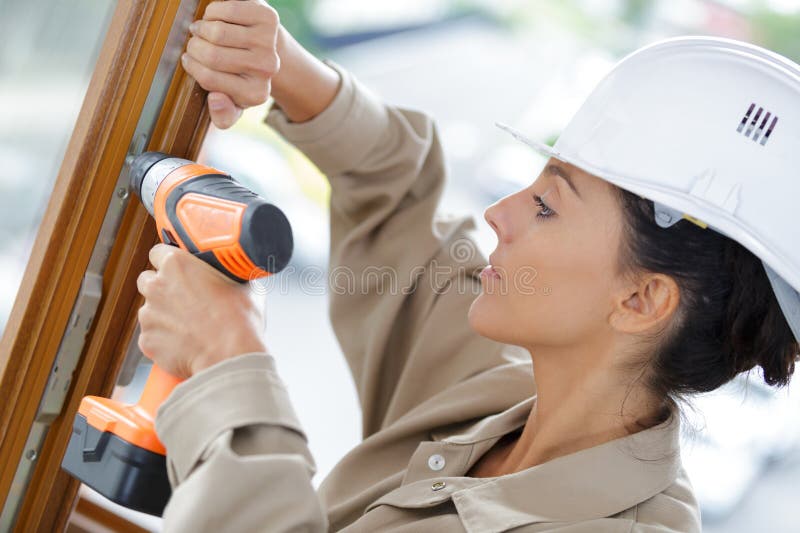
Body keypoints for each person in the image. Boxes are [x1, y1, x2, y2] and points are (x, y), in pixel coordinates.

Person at [134, 1, 800, 531]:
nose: (498, 213)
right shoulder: (489, 395)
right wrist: (284, 67)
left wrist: (229, 363)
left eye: (546, 205)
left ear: (641, 299)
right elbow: (393, 188)